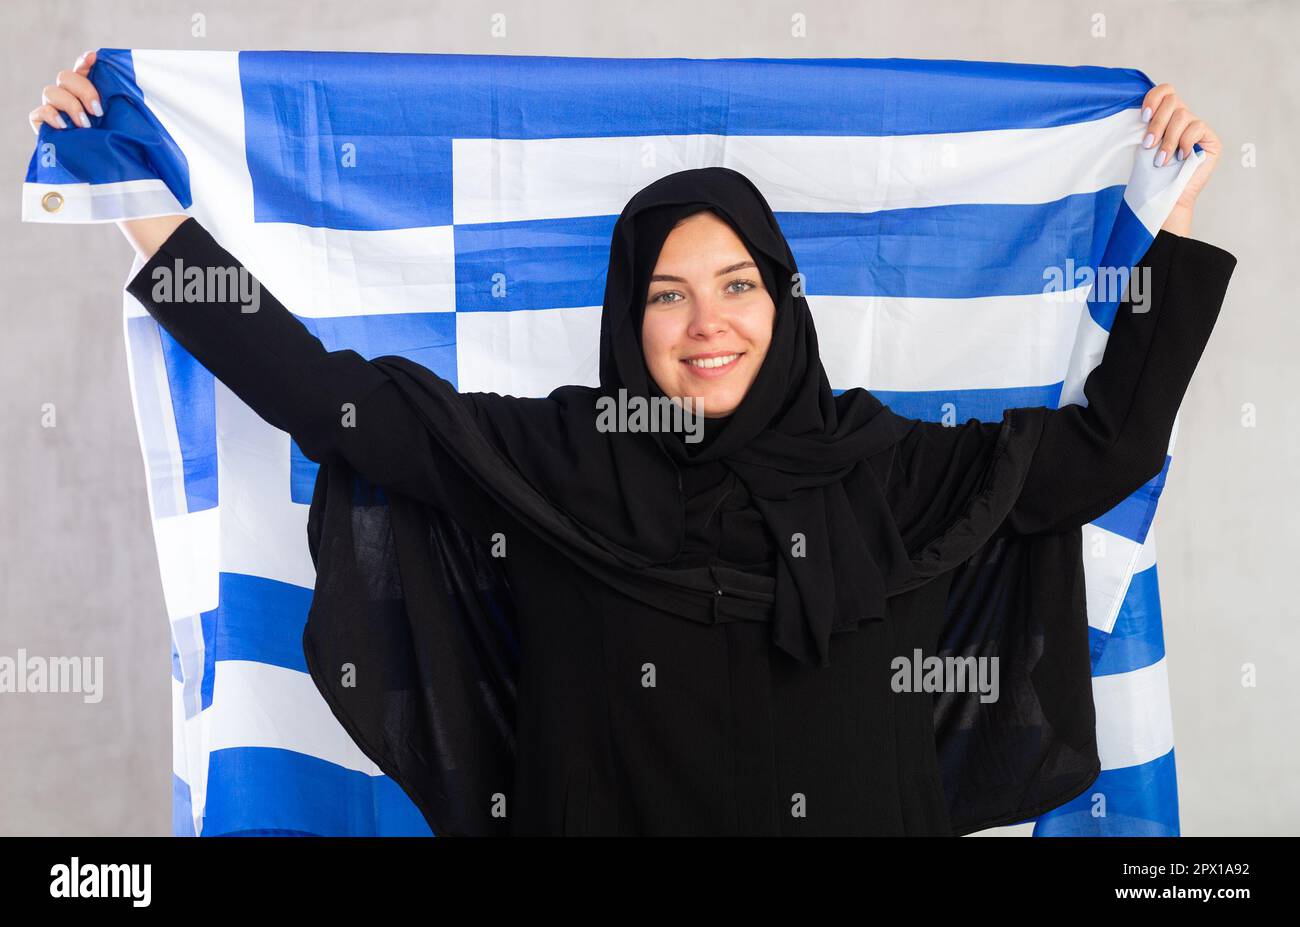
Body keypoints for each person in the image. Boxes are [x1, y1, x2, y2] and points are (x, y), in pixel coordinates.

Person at [31, 51, 1237, 836]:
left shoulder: (892, 468)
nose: (706, 325)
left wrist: (1169, 213)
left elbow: (1112, 445)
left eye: (735, 287)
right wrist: (140, 204)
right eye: (666, 295)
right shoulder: (555, 459)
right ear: (627, 320)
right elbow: (320, 396)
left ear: (783, 301)